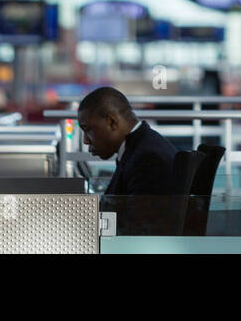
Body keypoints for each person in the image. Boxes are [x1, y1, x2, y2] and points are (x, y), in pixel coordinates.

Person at [77, 86, 181, 235]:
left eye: (88, 130)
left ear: (112, 123)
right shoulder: (140, 148)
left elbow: (141, 231)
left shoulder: (148, 159)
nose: (86, 140)